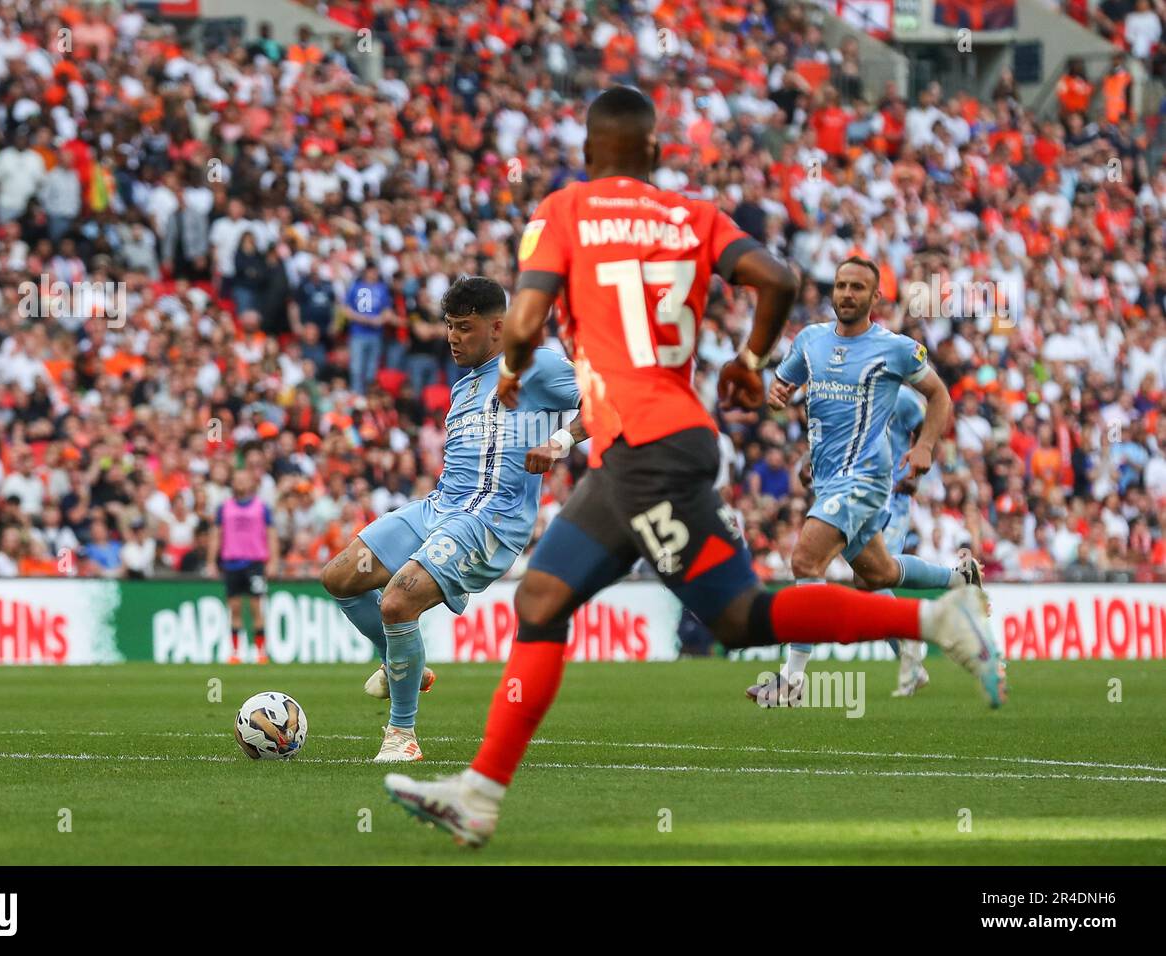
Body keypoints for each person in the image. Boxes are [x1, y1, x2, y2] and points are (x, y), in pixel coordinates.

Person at [382, 86, 1004, 848]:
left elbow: (524, 318)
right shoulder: (691, 215)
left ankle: (480, 793)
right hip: (661, 443)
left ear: (587, 149)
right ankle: (936, 615)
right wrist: (747, 359)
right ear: (652, 151)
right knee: (600, 605)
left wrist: (511, 370)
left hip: (644, 450)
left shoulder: (565, 210)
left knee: (655, 609)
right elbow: (777, 279)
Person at [320, 275, 584, 763]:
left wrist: (560, 441)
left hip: (491, 519)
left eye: (464, 327)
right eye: (448, 326)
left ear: (498, 327)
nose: (452, 337)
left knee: (398, 602)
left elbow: (609, 402)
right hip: (441, 507)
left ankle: (402, 736)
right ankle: (404, 664)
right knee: (339, 577)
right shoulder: (465, 385)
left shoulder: (537, 365)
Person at [746, 258, 984, 705]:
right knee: (877, 574)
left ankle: (791, 683)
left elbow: (939, 395)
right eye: (840, 285)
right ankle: (958, 579)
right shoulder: (811, 341)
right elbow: (783, 387)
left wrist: (926, 447)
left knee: (805, 562)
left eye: (858, 287)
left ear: (876, 298)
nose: (847, 294)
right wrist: (777, 394)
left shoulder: (895, 348)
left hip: (866, 480)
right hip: (829, 480)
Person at [206, 470, 280, 664]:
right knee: (235, 608)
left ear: (251, 483)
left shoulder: (261, 507)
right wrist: (211, 561)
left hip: (254, 563)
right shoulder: (224, 508)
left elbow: (271, 535)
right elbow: (216, 535)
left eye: (244, 479)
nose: (240, 482)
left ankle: (260, 652)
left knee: (256, 607)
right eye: (237, 479)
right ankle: (236, 652)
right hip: (231, 563)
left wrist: (273, 561)